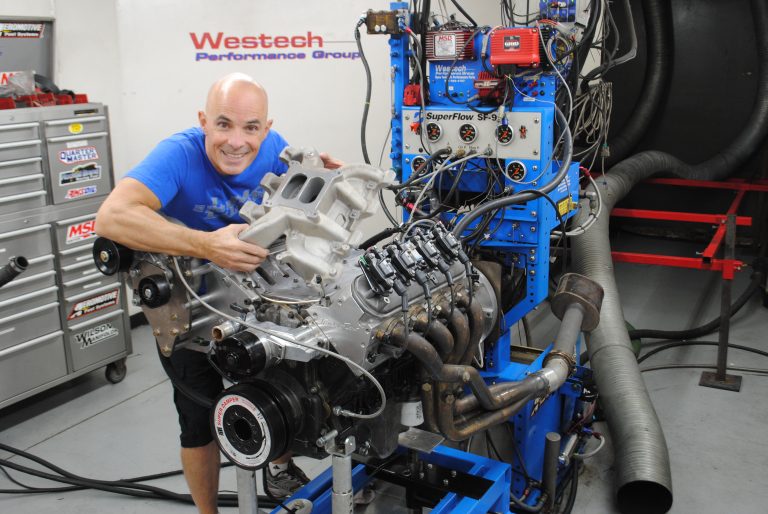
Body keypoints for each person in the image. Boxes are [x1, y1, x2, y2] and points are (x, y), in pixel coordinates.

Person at [95, 73, 342, 514]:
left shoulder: (273, 148)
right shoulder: (179, 154)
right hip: (189, 310)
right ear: (203, 121)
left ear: (266, 129)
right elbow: (111, 217)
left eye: (251, 128)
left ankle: (280, 468)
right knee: (198, 423)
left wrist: (323, 183)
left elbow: (292, 208)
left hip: (256, 302)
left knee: (278, 398)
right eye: (223, 125)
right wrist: (207, 245)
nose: (236, 141)